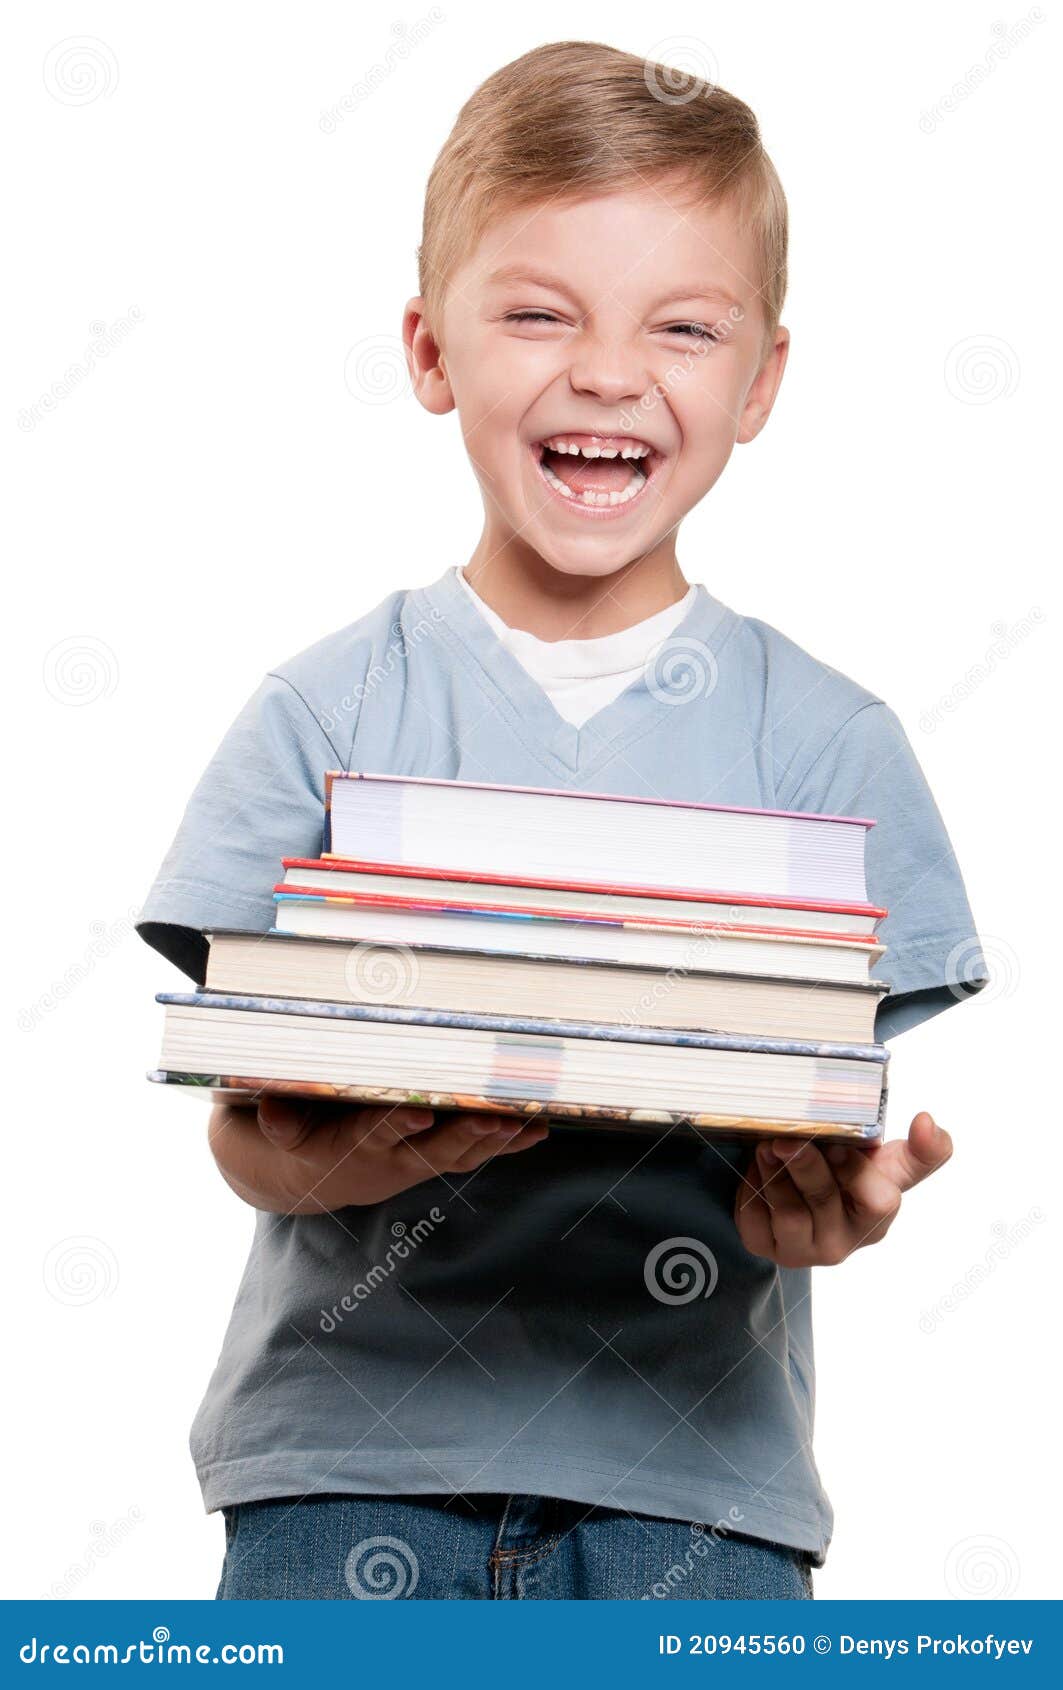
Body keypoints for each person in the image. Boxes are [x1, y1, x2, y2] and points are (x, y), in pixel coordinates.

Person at [137, 41, 987, 1601]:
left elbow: (826, 1128)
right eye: (539, 312)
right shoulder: (322, 716)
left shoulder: (830, 746)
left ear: (762, 382)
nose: (607, 372)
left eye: (682, 326)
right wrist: (364, 1157)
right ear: (429, 349)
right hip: (343, 1472)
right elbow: (250, 1138)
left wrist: (834, 1207)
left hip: (695, 1496)